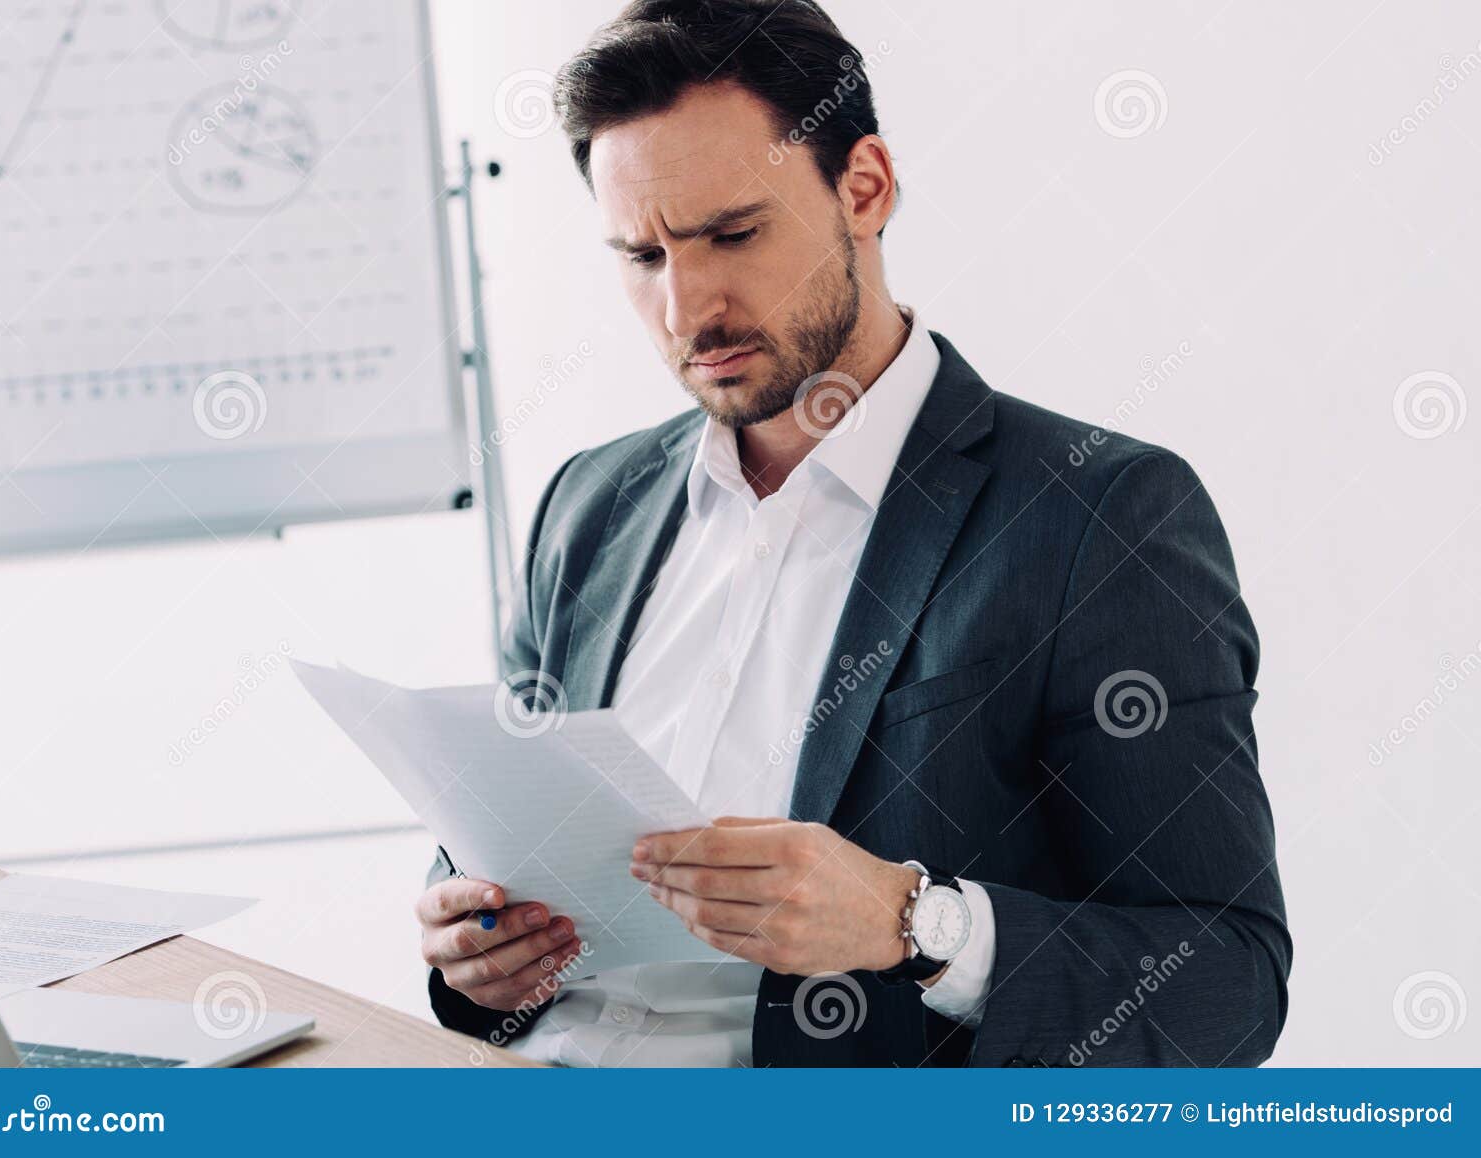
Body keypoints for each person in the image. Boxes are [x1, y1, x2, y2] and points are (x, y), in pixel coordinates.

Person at [417, 0, 1289, 1067]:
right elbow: (495, 857)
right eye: (641, 256)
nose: (689, 308)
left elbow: (1226, 986)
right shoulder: (587, 506)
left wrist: (910, 925)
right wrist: (474, 948)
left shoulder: (1096, 517)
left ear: (863, 188)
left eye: (732, 234)